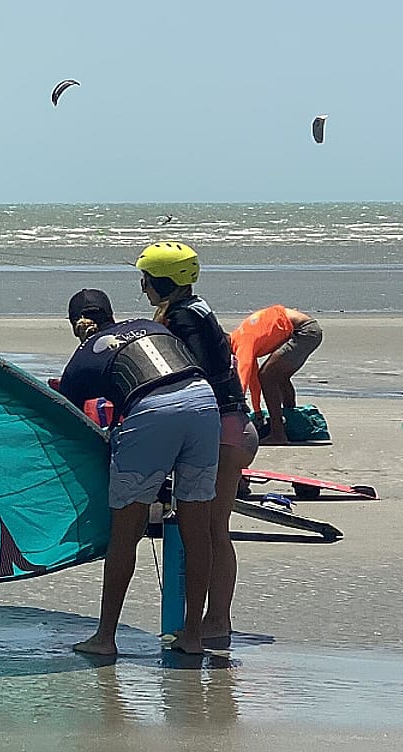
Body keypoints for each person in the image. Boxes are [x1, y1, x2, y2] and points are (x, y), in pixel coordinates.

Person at [57, 289, 221, 656]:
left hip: (152, 411)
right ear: (112, 315)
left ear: (75, 325)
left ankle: (105, 638)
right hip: (202, 401)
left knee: (125, 535)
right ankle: (192, 635)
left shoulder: (86, 354)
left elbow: (65, 420)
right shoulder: (150, 324)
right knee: (197, 531)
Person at [135, 242, 258, 647]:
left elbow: (193, 373)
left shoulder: (184, 318)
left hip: (223, 430)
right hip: (233, 424)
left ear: (163, 281)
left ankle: (216, 621)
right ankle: (211, 618)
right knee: (211, 530)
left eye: (147, 280)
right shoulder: (197, 307)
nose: (143, 288)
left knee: (209, 531)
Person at [229, 305, 322, 445]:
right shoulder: (241, 338)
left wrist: (236, 406)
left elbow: (243, 376)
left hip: (303, 330)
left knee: (268, 375)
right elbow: (254, 382)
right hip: (307, 329)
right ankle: (291, 420)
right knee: (278, 376)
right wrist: (257, 411)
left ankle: (278, 433)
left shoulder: (241, 342)